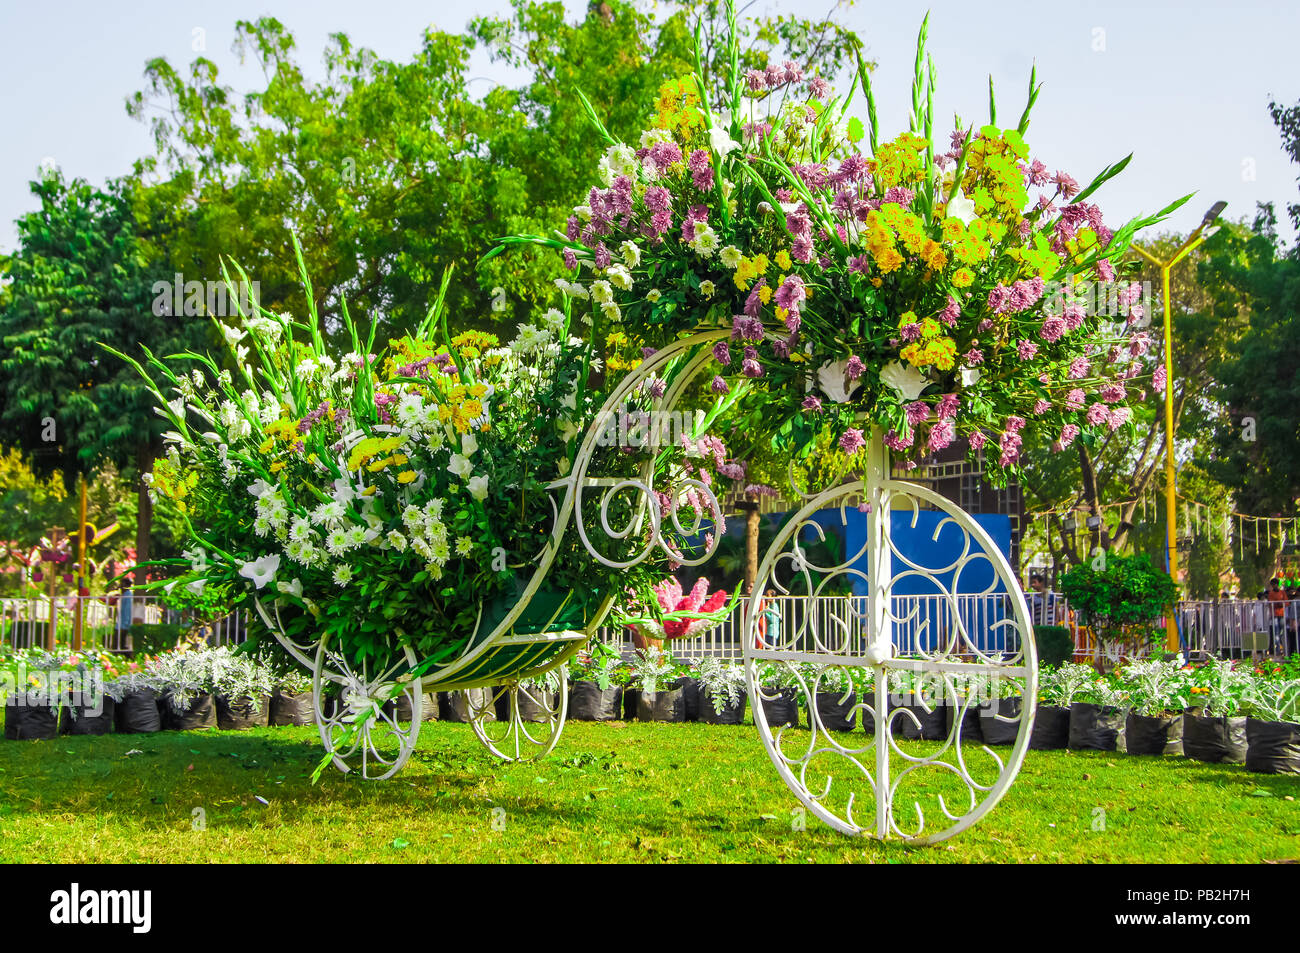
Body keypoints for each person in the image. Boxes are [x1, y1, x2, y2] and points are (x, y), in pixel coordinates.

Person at [1267, 577, 1288, 655]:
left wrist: (1280, 603)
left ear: (1277, 584)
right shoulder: (1271, 593)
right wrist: (1279, 603)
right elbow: (1271, 603)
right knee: (1276, 632)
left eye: (1275, 584)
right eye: (1272, 585)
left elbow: (1286, 602)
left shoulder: (1282, 592)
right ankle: (1278, 649)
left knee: (1282, 632)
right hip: (1275, 615)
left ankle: (1282, 648)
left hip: (1282, 614)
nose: (1274, 586)